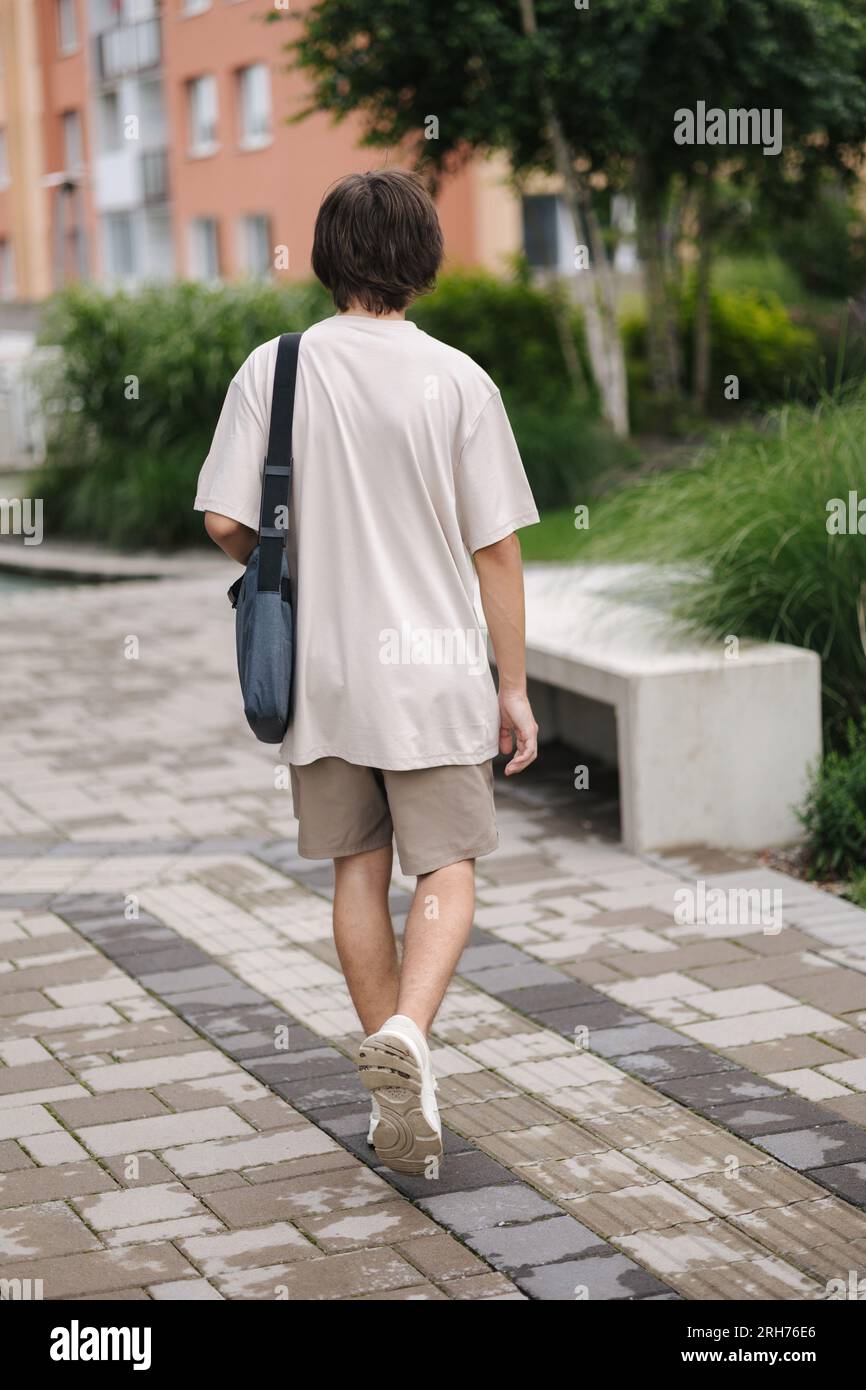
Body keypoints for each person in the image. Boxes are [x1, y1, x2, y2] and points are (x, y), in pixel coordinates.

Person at [195, 168, 539, 1175]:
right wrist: (510, 686)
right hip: (432, 672)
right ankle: (411, 1039)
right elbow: (497, 552)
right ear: (423, 261)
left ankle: (395, 1060)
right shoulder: (458, 380)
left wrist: (291, 561)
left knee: (356, 867)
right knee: (447, 864)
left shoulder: (276, 368)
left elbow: (224, 520)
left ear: (327, 257)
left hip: (323, 673)